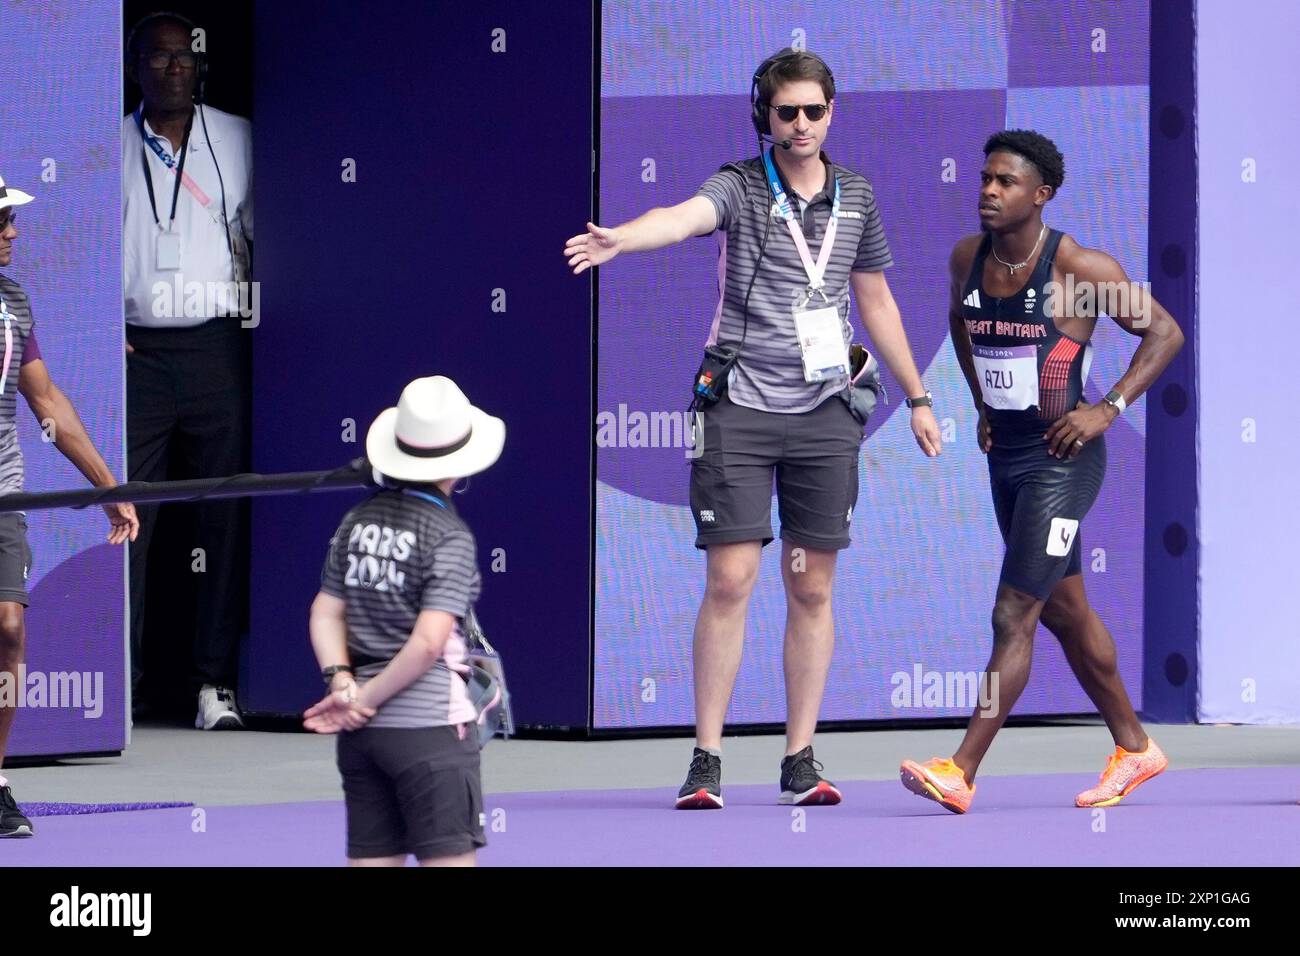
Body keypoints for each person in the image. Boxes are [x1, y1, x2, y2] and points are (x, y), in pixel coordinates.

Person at [566, 49, 941, 809]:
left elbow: (876, 302)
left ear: (831, 112)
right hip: (738, 405)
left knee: (811, 590)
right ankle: (706, 757)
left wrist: (920, 393)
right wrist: (623, 239)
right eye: (785, 113)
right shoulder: (738, 185)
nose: (800, 125)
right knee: (730, 580)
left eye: (813, 111)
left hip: (828, 411)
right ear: (763, 117)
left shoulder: (858, 196)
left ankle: (799, 756)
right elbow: (681, 218)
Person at [900, 130, 1185, 813]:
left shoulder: (1079, 272)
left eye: (1005, 182)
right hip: (1010, 457)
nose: (988, 192)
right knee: (1064, 609)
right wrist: (982, 404)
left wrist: (1108, 408)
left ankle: (962, 768)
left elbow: (1165, 332)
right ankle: (1136, 747)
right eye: (985, 180)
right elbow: (961, 324)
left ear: (1041, 195)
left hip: (1064, 459)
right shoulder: (969, 258)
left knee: (1013, 611)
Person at [304, 376, 504, 867]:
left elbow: (325, 611)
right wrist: (364, 702)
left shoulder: (356, 519)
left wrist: (344, 686)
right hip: (430, 730)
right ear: (458, 468)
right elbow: (429, 643)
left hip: (363, 740)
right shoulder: (450, 535)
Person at [122, 12, 254, 729]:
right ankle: (125, 682)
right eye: (158, 58)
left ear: (200, 65)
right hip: (135, 352)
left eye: (184, 58)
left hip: (213, 347)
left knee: (223, 516)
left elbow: (267, 235)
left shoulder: (236, 137)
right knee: (125, 517)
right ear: (134, 67)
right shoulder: (106, 144)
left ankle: (212, 685)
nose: (173, 69)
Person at [0, 175, 139, 838]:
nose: (11, 232)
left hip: (3, 492)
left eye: (11, 219)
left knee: (8, 629)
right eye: (0, 219)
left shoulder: (13, 302)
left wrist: (106, 488)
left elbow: (47, 403)